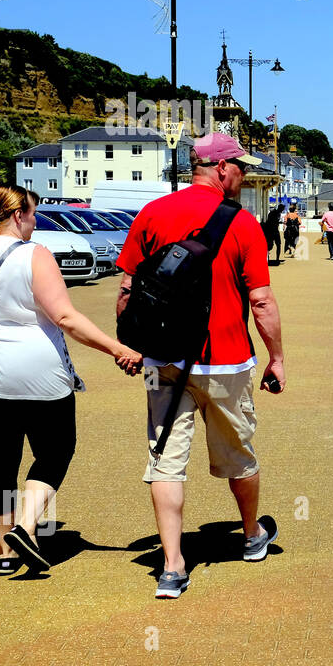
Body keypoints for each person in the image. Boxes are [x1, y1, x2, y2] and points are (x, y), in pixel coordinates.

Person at [116, 133, 285, 599]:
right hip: (226, 361)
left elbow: (128, 289)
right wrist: (277, 358)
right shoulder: (243, 223)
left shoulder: (153, 213)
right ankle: (252, 537)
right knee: (239, 453)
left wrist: (131, 346)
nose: (244, 177)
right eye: (241, 169)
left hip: (163, 360)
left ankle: (172, 567)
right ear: (223, 168)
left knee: (165, 462)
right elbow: (262, 301)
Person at [0, 185, 142, 574]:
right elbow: (67, 318)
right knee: (56, 450)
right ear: (19, 215)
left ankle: (5, 553)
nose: (36, 223)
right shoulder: (34, 255)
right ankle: (26, 523)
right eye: (34, 215)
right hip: (36, 375)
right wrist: (117, 349)